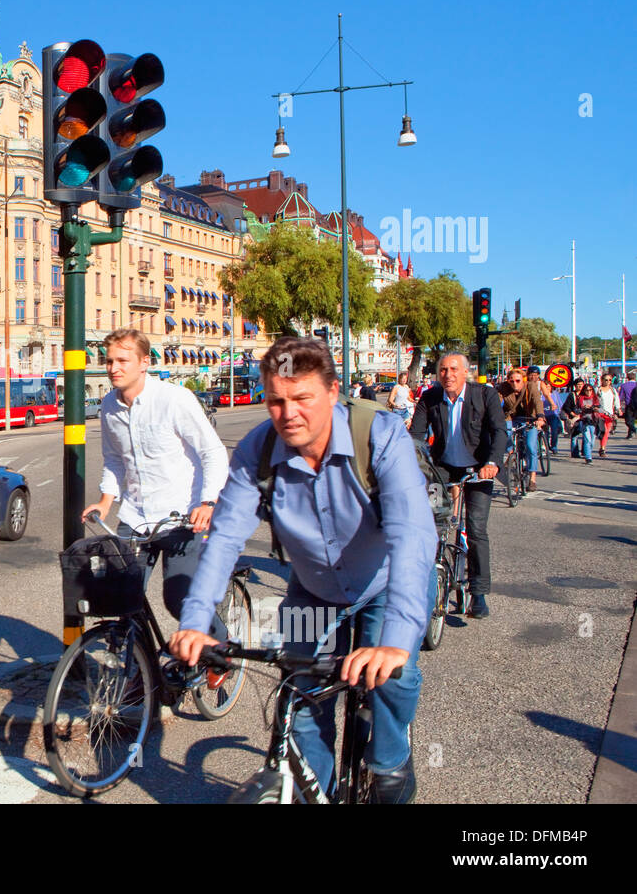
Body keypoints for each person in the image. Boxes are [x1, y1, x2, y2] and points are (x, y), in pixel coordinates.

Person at [169, 336, 436, 803]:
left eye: (302, 398)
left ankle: (391, 757)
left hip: (385, 583)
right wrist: (195, 622)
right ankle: (318, 790)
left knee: (396, 675)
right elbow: (227, 538)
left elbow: (412, 537)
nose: (288, 412)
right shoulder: (258, 450)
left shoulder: (379, 435)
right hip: (313, 591)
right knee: (301, 692)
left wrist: (394, 644)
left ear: (333, 393)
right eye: (276, 400)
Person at [83, 327, 228, 621]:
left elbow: (212, 452)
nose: (114, 368)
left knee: (179, 602)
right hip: (136, 518)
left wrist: (208, 502)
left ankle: (218, 654)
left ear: (144, 363)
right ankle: (135, 664)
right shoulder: (109, 406)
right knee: (121, 598)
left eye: (123, 361)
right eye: (109, 361)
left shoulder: (174, 399)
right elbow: (114, 459)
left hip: (181, 518)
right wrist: (105, 502)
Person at [409, 353, 506, 619]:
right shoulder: (430, 397)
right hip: (443, 468)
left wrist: (492, 462)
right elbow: (416, 436)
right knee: (430, 524)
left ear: (466, 372)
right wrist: (415, 464)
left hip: (478, 468)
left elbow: (499, 431)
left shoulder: (484, 395)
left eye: (453, 369)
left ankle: (479, 593)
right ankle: (426, 580)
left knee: (475, 528)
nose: (448, 375)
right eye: (442, 370)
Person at [498, 368, 545, 491]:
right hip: (511, 418)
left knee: (530, 446)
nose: (514, 384)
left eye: (518, 381)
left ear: (523, 380)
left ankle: (532, 478)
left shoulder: (531, 386)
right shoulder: (504, 387)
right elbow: (497, 402)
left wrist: (540, 416)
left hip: (530, 418)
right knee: (506, 435)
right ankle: (511, 456)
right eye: (511, 381)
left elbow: (537, 401)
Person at [562, 382, 601, 464]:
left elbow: (599, 408)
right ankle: (588, 457)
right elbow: (577, 410)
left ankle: (587, 452)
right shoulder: (581, 399)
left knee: (592, 441)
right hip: (584, 421)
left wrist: (594, 408)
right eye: (587, 390)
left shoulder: (595, 398)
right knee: (587, 440)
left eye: (590, 390)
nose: (589, 392)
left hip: (593, 421)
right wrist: (582, 409)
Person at [597, 374, 620, 457]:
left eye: (610, 380)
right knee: (602, 431)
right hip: (600, 413)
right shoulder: (598, 390)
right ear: (602, 380)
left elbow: (617, 401)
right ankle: (601, 447)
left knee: (606, 432)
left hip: (610, 414)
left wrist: (618, 410)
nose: (608, 382)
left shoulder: (613, 390)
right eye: (606, 380)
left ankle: (602, 448)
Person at [619, 369, 637, 439]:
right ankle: (630, 434)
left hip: (629, 404)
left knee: (628, 420)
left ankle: (634, 430)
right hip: (636, 405)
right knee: (632, 420)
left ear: (627, 378)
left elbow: (621, 396)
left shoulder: (624, 385)